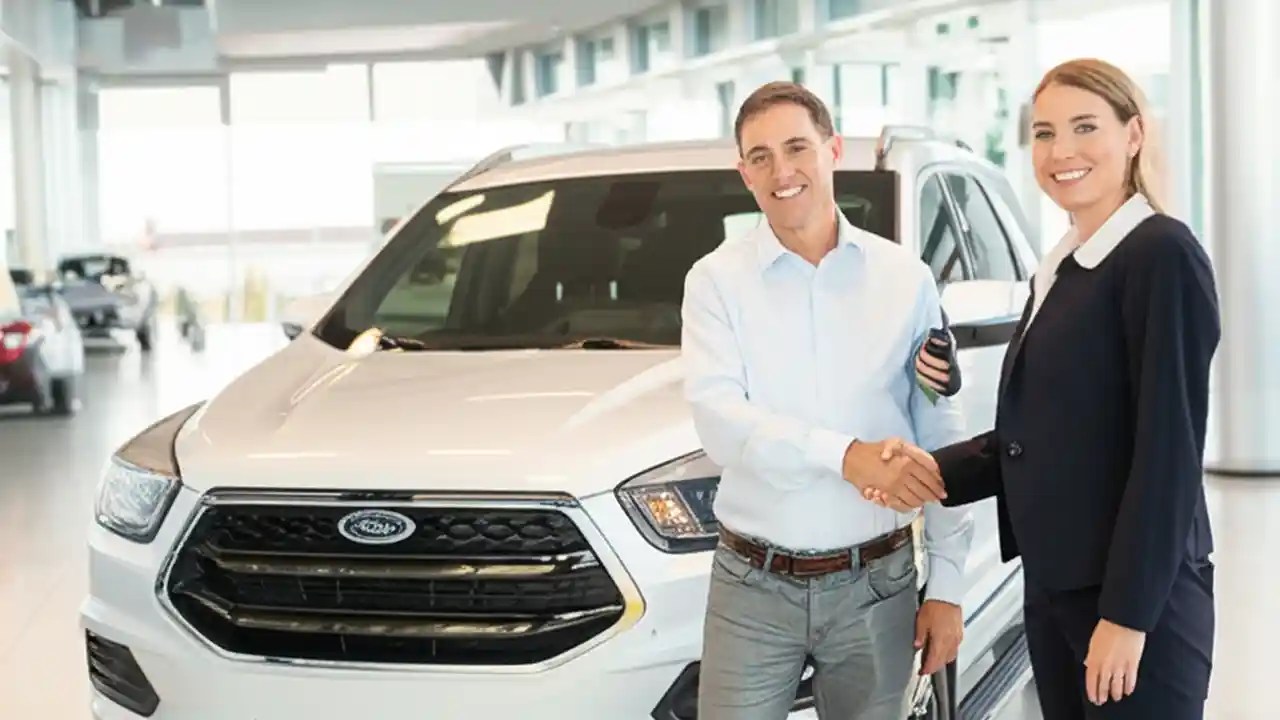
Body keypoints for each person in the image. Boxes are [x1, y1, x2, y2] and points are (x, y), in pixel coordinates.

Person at [879, 58, 1220, 719]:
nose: (1061, 151)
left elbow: (1168, 456)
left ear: (1133, 135)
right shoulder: (1060, 266)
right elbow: (1036, 435)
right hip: (1057, 586)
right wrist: (926, 470)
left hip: (1133, 600)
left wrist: (1126, 617)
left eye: (1084, 127)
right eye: (1044, 133)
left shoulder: (1159, 254)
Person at [681, 80, 975, 720]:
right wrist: (846, 457)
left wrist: (948, 584)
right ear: (744, 173)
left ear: (832, 149)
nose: (782, 171)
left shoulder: (905, 279)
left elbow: (939, 429)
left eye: (797, 147)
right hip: (751, 586)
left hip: (878, 584)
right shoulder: (714, 283)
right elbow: (720, 423)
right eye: (760, 156)